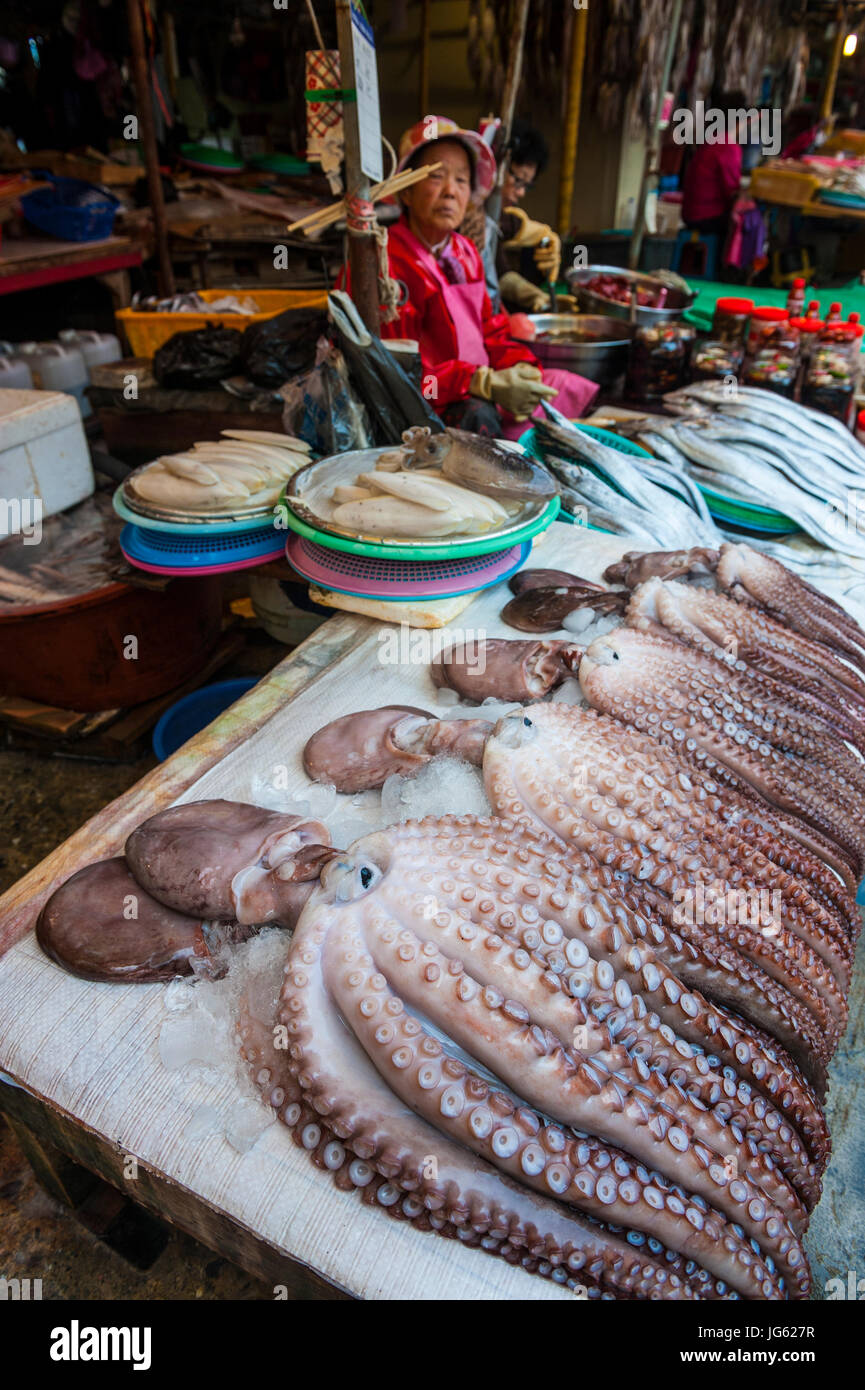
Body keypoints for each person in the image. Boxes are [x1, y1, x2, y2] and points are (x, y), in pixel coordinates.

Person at [380, 115, 598, 438]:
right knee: (478, 417)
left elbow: (491, 331)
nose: (451, 192)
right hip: (427, 402)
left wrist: (521, 367)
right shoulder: (388, 263)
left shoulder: (466, 252)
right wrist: (479, 382)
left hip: (481, 385)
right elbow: (398, 377)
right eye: (436, 177)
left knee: (565, 386)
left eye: (462, 180)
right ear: (406, 192)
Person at [681, 90, 747, 243]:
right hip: (705, 217)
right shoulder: (728, 146)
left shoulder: (712, 139)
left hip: (690, 213)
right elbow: (731, 190)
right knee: (750, 221)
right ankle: (730, 266)